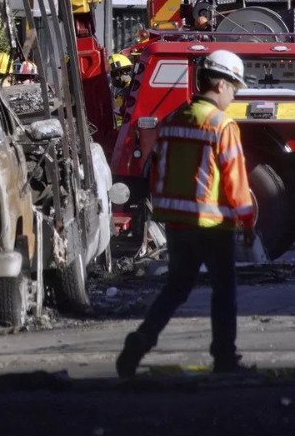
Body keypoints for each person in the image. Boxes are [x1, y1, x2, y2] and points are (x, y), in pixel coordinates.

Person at [116, 49, 257, 377]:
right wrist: (248, 220)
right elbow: (237, 183)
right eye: (234, 88)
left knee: (176, 289)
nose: (234, 95)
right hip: (213, 226)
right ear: (220, 85)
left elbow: (158, 172)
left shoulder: (174, 118)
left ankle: (139, 342)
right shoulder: (222, 126)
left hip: (177, 224)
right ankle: (224, 359)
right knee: (224, 291)